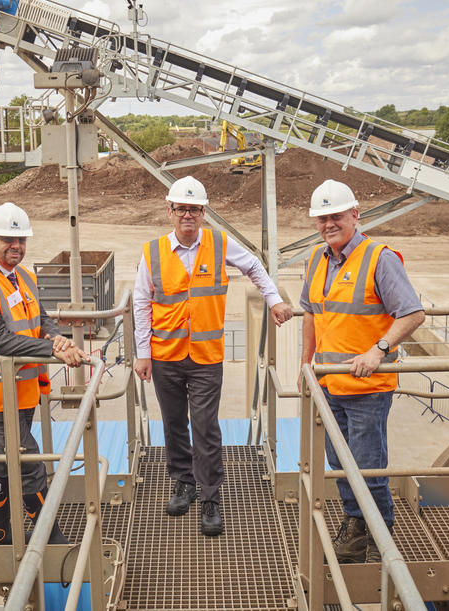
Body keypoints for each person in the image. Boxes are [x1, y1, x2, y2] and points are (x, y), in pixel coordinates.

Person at [134, 176, 294, 537]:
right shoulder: (153, 252)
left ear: (204, 213)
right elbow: (141, 302)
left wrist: (274, 300)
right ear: (170, 211)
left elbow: (254, 266)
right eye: (181, 208)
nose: (187, 215)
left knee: (205, 426)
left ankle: (209, 496)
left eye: (194, 209)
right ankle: (183, 482)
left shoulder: (220, 244)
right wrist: (143, 353)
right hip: (165, 355)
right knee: (174, 423)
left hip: (206, 357)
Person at [299, 179, 425, 563]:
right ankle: (356, 528)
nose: (328, 224)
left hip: (368, 388)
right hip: (329, 384)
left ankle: (380, 537)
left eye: (336, 216)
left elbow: (412, 313)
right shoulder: (316, 258)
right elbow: (311, 314)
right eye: (322, 219)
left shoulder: (379, 258)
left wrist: (378, 350)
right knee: (339, 464)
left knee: (368, 468)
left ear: (355, 215)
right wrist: (305, 365)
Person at [0, 202, 86, 546]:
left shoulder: (23, 276)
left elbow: (41, 320)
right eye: (8, 239)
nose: (16, 246)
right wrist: (54, 351)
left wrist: (55, 338)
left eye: (21, 240)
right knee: (29, 462)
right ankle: (51, 540)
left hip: (21, 392)